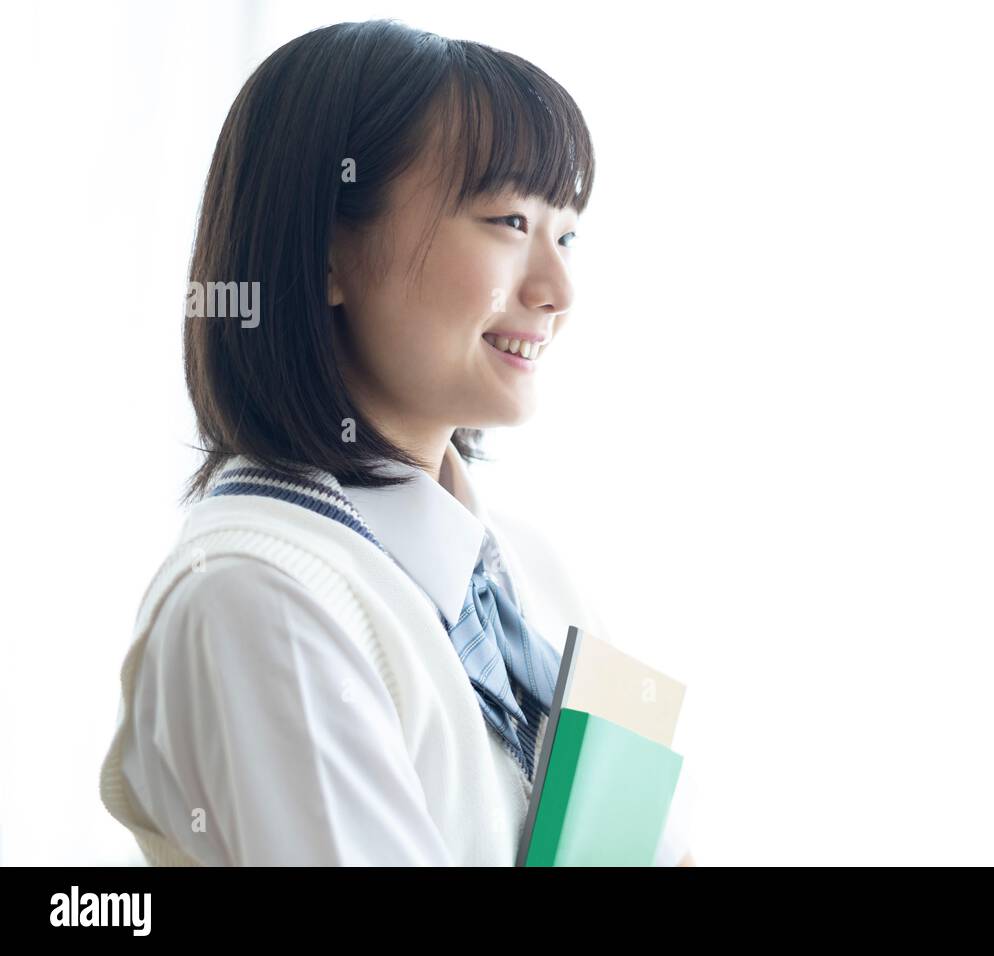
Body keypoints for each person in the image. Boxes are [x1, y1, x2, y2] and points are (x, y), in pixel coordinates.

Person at [97, 19, 695, 867]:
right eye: (506, 220)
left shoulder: (529, 571)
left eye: (565, 234)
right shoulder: (260, 598)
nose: (558, 289)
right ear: (326, 255)